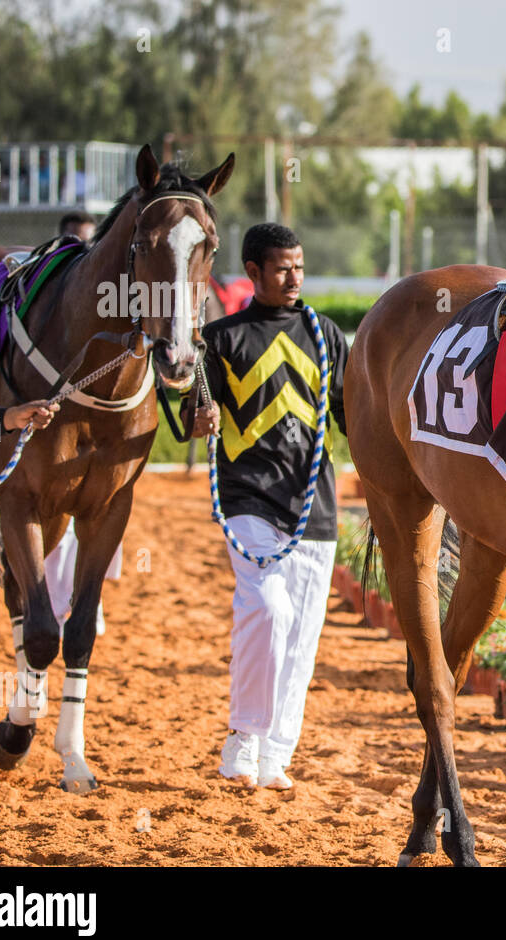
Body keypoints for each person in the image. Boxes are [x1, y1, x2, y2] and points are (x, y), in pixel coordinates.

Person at [181, 223, 348, 789]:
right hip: (248, 501)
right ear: (253, 272)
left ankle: (276, 754)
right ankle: (244, 737)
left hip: (315, 505)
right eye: (282, 267)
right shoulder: (219, 339)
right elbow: (192, 415)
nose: (294, 276)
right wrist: (198, 419)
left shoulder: (326, 335)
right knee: (269, 610)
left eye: (299, 265)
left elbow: (356, 421)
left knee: (301, 638)